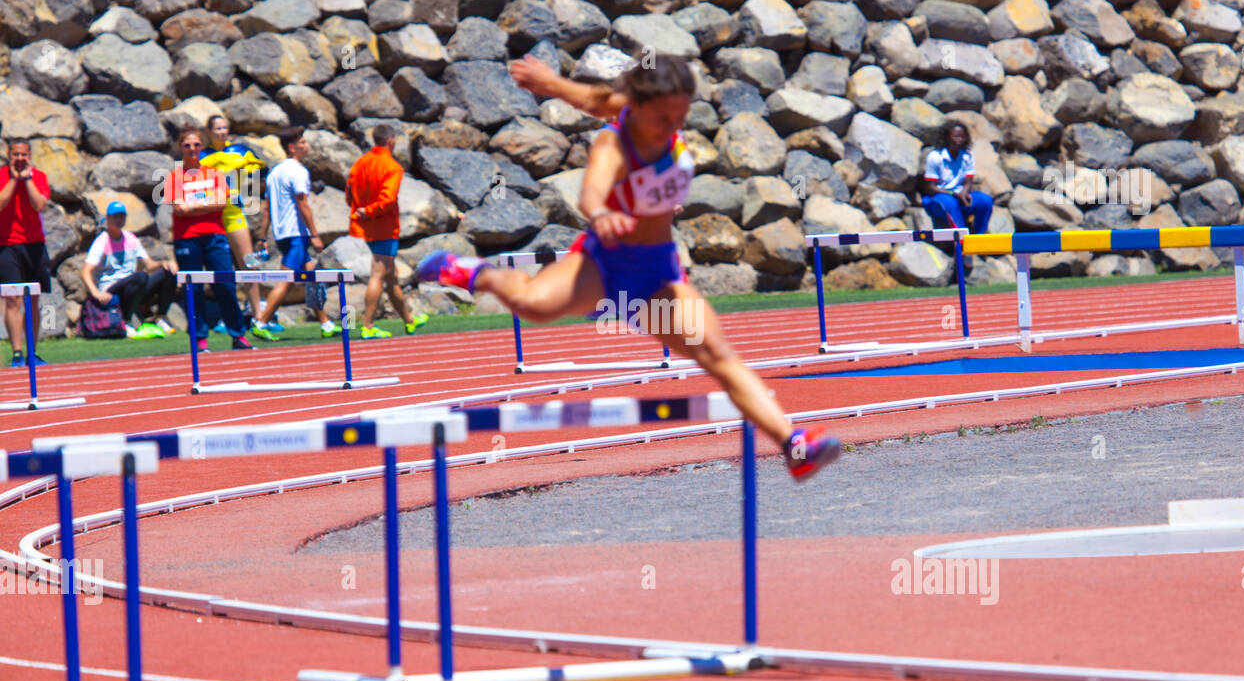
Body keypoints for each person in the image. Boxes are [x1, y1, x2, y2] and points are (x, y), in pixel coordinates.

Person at [418, 54, 840, 481]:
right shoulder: (613, 144)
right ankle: (473, 272)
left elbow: (592, 96)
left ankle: (794, 446)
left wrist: (551, 82)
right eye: (662, 117)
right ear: (635, 106)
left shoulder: (633, 107)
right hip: (603, 263)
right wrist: (601, 213)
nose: (672, 126)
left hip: (658, 277)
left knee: (718, 356)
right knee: (534, 305)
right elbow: (593, 191)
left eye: (681, 115)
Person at [164, 127, 254, 351]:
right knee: (194, 289)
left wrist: (194, 205)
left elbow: (221, 203)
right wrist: (206, 205)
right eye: (187, 145)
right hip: (187, 238)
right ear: (180, 147)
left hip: (215, 235)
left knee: (225, 284)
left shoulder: (214, 175)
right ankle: (199, 338)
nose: (192, 149)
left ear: (202, 146)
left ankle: (237, 334)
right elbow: (179, 209)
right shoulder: (175, 177)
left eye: (196, 145)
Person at [249, 127, 340, 340]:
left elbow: (267, 207)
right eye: (303, 143)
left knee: (312, 278)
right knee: (286, 281)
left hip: (282, 235)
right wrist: (315, 235)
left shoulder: (275, 172)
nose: (307, 146)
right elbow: (303, 204)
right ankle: (261, 322)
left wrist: (263, 237)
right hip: (296, 234)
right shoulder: (298, 171)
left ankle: (325, 322)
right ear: (292, 147)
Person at [346, 123, 427, 339]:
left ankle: (409, 320)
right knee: (379, 274)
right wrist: (369, 211)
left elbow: (349, 191)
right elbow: (388, 199)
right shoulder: (392, 167)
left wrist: (359, 211)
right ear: (390, 141)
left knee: (392, 277)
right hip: (383, 227)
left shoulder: (361, 162)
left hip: (364, 226)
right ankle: (368, 325)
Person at [202, 115, 269, 331]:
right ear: (209, 131)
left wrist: (244, 166)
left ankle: (258, 315)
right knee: (221, 268)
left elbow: (260, 167)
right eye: (218, 129)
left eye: (225, 128)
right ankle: (228, 316)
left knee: (249, 262)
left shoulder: (239, 150)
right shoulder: (203, 155)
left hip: (234, 213)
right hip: (212, 215)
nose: (222, 132)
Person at [81, 201, 178, 339]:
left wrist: (165, 263)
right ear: (108, 219)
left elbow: (149, 265)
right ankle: (125, 321)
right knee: (140, 277)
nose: (119, 220)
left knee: (168, 272)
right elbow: (85, 272)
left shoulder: (130, 238)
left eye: (122, 216)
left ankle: (160, 317)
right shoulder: (102, 241)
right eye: (115, 217)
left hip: (132, 287)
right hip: (111, 289)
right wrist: (96, 293)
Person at [0, 138, 51, 367]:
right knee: (13, 299)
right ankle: (17, 353)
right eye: (15, 155)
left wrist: (27, 180)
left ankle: (33, 352)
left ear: (29, 155)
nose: (19, 159)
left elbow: (39, 204)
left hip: (35, 245)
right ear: (9, 155)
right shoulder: (2, 176)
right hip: (7, 245)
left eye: (23, 154)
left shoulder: (39, 177)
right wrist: (13, 180)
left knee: (33, 299)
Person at [921, 122, 993, 235]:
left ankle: (981, 239)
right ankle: (962, 243)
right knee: (950, 203)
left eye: (962, 136)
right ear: (947, 137)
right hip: (939, 199)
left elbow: (968, 182)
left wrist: (964, 193)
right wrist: (953, 194)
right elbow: (930, 188)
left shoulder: (966, 156)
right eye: (956, 136)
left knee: (985, 200)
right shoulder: (935, 157)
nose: (959, 139)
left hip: (959, 197)